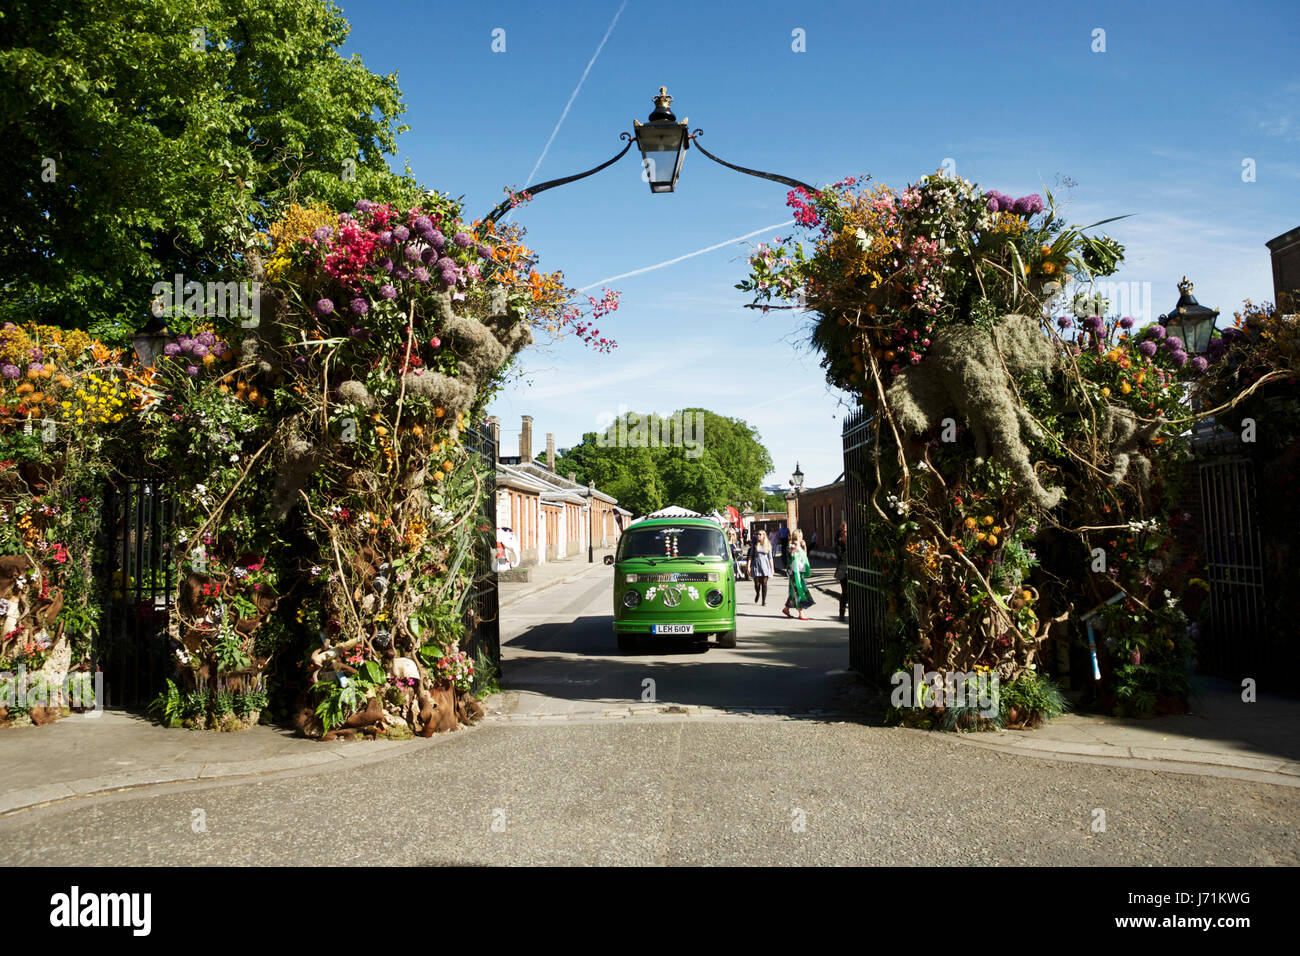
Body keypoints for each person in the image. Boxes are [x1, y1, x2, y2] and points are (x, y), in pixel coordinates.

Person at [782, 530, 815, 621]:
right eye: (801, 536)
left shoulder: (800, 546)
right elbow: (791, 551)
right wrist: (797, 545)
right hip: (793, 572)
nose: (802, 537)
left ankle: (786, 609)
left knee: (794, 591)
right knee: (798, 590)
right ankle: (801, 612)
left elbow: (804, 555)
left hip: (799, 571)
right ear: (798, 536)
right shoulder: (790, 545)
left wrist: (804, 546)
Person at [747, 529, 774, 605]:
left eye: (760, 534)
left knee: (764, 583)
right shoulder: (755, 544)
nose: (758, 536)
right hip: (756, 565)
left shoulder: (768, 545)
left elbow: (770, 557)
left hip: (765, 566)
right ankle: (757, 593)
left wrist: (772, 568)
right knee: (757, 584)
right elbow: (750, 556)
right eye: (757, 534)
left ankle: (763, 601)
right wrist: (748, 566)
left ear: (764, 536)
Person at [834, 521, 849, 621]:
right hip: (843, 571)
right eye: (844, 531)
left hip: (853, 570)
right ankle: (842, 613)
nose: (846, 533)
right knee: (845, 592)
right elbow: (839, 557)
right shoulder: (839, 544)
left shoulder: (853, 541)